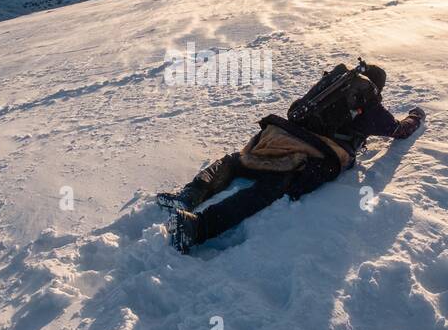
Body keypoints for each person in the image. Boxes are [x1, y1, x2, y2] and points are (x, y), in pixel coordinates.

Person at [157, 64, 424, 252]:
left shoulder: (332, 90)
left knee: (235, 161)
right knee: (274, 185)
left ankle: (189, 195)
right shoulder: (371, 107)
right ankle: (198, 228)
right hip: (313, 152)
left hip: (280, 135)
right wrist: (416, 116)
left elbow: (296, 109)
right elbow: (399, 131)